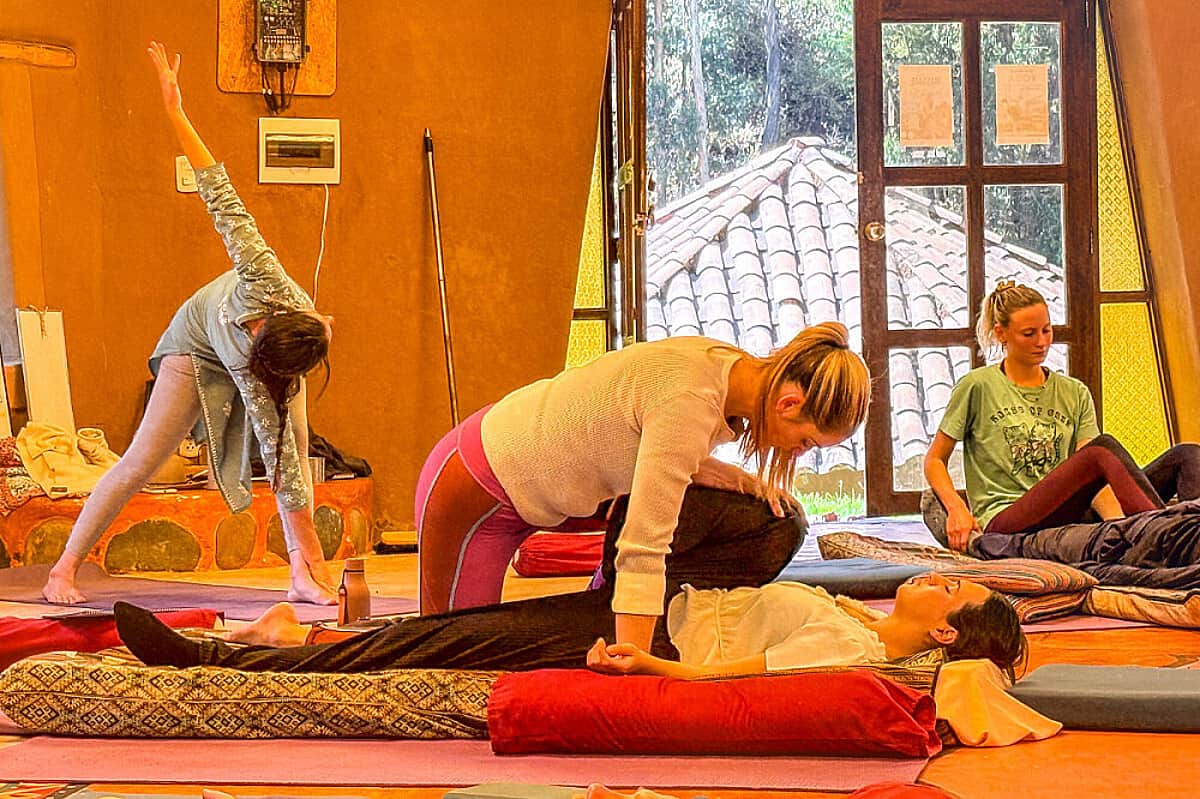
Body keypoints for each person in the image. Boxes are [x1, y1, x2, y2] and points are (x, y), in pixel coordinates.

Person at [112, 485, 1026, 678]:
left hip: (648, 636)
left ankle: (221, 661)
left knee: (440, 643)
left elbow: (728, 684)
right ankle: (284, 641)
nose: (935, 581)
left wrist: (642, 665)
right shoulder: (852, 623)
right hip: (654, 603)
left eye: (951, 592)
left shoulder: (850, 650)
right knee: (778, 519)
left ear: (946, 632)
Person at [41, 42, 336, 605]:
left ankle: (302, 573)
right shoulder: (259, 274)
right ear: (269, 325)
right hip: (194, 346)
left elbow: (283, 463)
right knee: (141, 460)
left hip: (270, 356)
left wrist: (317, 566)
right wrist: (175, 111)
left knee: (296, 445)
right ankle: (64, 568)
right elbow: (219, 193)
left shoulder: (281, 352)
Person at [418, 321, 872, 655]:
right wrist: (634, 659)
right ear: (789, 404)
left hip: (555, 492)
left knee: (771, 517)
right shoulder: (690, 400)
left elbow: (670, 455)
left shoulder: (733, 372)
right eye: (806, 442)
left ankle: (602, 600)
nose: (799, 454)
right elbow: (643, 545)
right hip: (477, 490)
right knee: (443, 655)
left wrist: (741, 482)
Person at [924, 280, 1200, 551]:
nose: (1042, 342)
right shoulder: (977, 386)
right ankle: (1170, 539)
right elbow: (934, 460)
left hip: (1071, 512)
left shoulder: (1074, 392)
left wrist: (1119, 526)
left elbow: (1095, 479)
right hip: (1007, 518)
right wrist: (957, 508)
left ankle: (1183, 535)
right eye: (1029, 334)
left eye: (1046, 330)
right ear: (1001, 333)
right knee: (1102, 448)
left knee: (1187, 454)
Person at [972, 500, 1200, 589]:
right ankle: (975, 542)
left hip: (1111, 547)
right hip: (1135, 525)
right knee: (1187, 453)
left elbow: (1147, 579)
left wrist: (1085, 570)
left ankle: (973, 544)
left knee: (1024, 547)